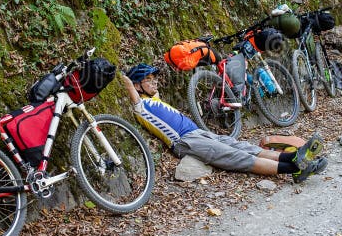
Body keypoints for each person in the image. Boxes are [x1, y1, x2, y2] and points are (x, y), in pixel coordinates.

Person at [121, 63, 328, 183]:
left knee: (242, 147)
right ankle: (294, 168)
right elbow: (131, 90)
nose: (154, 82)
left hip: (197, 133)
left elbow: (153, 91)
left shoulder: (153, 100)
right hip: (186, 141)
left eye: (154, 78)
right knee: (236, 157)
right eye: (148, 79)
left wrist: (151, 86)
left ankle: (295, 157)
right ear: (137, 84)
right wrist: (126, 80)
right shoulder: (141, 108)